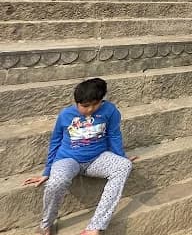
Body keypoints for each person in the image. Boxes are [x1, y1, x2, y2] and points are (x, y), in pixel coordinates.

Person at [24, 78, 134, 235]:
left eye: (95, 104)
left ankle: (95, 226)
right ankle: (45, 224)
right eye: (85, 106)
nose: (90, 109)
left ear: (102, 100)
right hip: (68, 160)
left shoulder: (110, 111)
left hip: (97, 159)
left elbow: (114, 135)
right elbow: (55, 141)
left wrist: (121, 156)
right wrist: (47, 172)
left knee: (124, 166)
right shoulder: (66, 115)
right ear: (77, 103)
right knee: (56, 182)